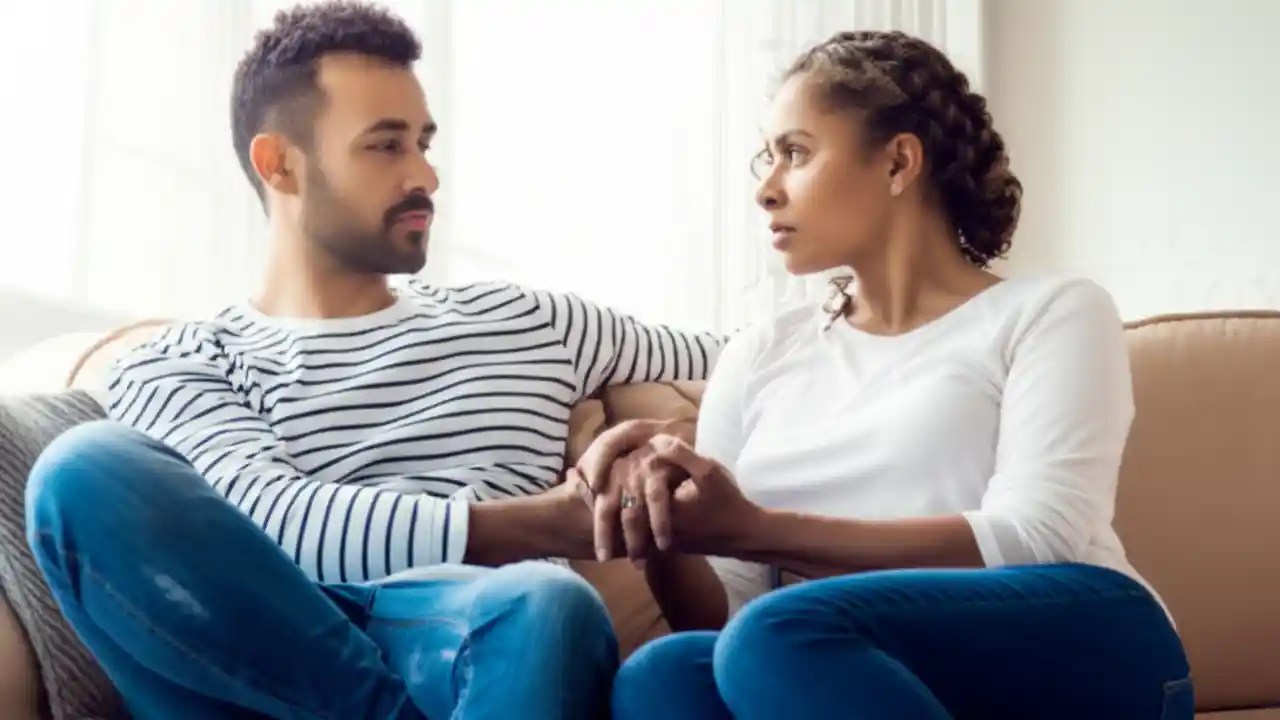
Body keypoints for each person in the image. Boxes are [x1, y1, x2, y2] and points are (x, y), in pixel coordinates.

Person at [24, 3, 722, 719]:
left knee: (543, 603)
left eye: (424, 142)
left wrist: (656, 455)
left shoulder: (530, 321)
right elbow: (266, 520)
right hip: (270, 650)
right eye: (386, 146)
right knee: (83, 468)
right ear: (280, 164)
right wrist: (545, 523)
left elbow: (758, 361)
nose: (425, 174)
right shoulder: (180, 361)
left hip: (477, 646)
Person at [576, 30, 1193, 720]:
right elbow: (730, 615)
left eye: (796, 153)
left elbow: (1035, 539)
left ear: (899, 162)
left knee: (780, 631)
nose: (766, 190)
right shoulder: (760, 354)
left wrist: (752, 526)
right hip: (873, 671)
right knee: (664, 673)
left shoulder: (1049, 312)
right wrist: (661, 528)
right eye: (766, 157)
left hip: (1087, 641)